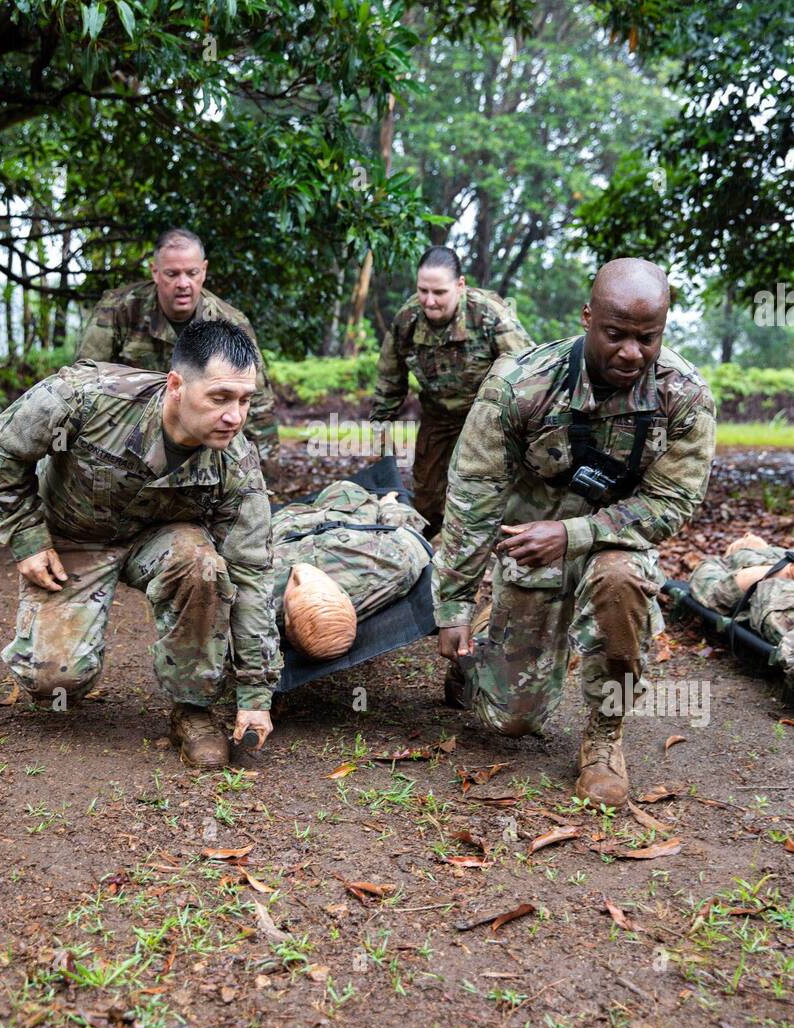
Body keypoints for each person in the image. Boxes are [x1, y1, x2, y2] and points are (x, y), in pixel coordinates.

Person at [433, 258, 716, 810]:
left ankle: (604, 739)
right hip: (529, 555)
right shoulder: (521, 385)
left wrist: (574, 533)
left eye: (647, 338)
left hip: (608, 547)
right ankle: (488, 652)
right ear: (588, 317)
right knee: (510, 722)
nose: (631, 353)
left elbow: (672, 503)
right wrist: (455, 606)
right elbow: (473, 497)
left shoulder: (684, 398)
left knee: (622, 580)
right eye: (615, 335)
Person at [0, 319, 282, 770]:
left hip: (162, 541)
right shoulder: (91, 396)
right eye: (219, 398)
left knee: (204, 565)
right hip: (73, 538)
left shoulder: (236, 462)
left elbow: (251, 573)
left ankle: (192, 708)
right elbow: (5, 447)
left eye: (244, 400)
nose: (234, 416)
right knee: (54, 684)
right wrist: (26, 536)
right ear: (176, 385)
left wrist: (256, 694)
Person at [76, 228, 279, 473]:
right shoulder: (118, 310)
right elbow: (84, 383)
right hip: (126, 437)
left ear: (203, 271)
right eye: (172, 274)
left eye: (192, 273)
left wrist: (262, 475)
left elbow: (258, 402)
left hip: (203, 443)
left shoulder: (230, 322)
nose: (183, 284)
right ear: (155, 272)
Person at [369, 247, 533, 537]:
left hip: (488, 417)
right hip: (438, 416)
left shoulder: (490, 316)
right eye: (423, 291)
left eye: (440, 292)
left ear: (460, 285)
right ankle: (426, 555)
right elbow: (388, 387)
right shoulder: (407, 321)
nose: (429, 302)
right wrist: (381, 450)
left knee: (486, 495)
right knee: (428, 500)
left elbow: (530, 376)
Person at [270, 480, 430, 623]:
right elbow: (406, 533)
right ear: (343, 596)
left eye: (297, 585)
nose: (302, 572)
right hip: (343, 524)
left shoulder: (262, 602)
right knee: (347, 489)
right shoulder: (390, 567)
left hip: (286, 525)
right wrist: (389, 506)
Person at [689, 534, 794, 682]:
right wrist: (785, 570)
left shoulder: (784, 552)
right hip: (780, 596)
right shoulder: (722, 563)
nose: (749, 535)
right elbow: (718, 595)